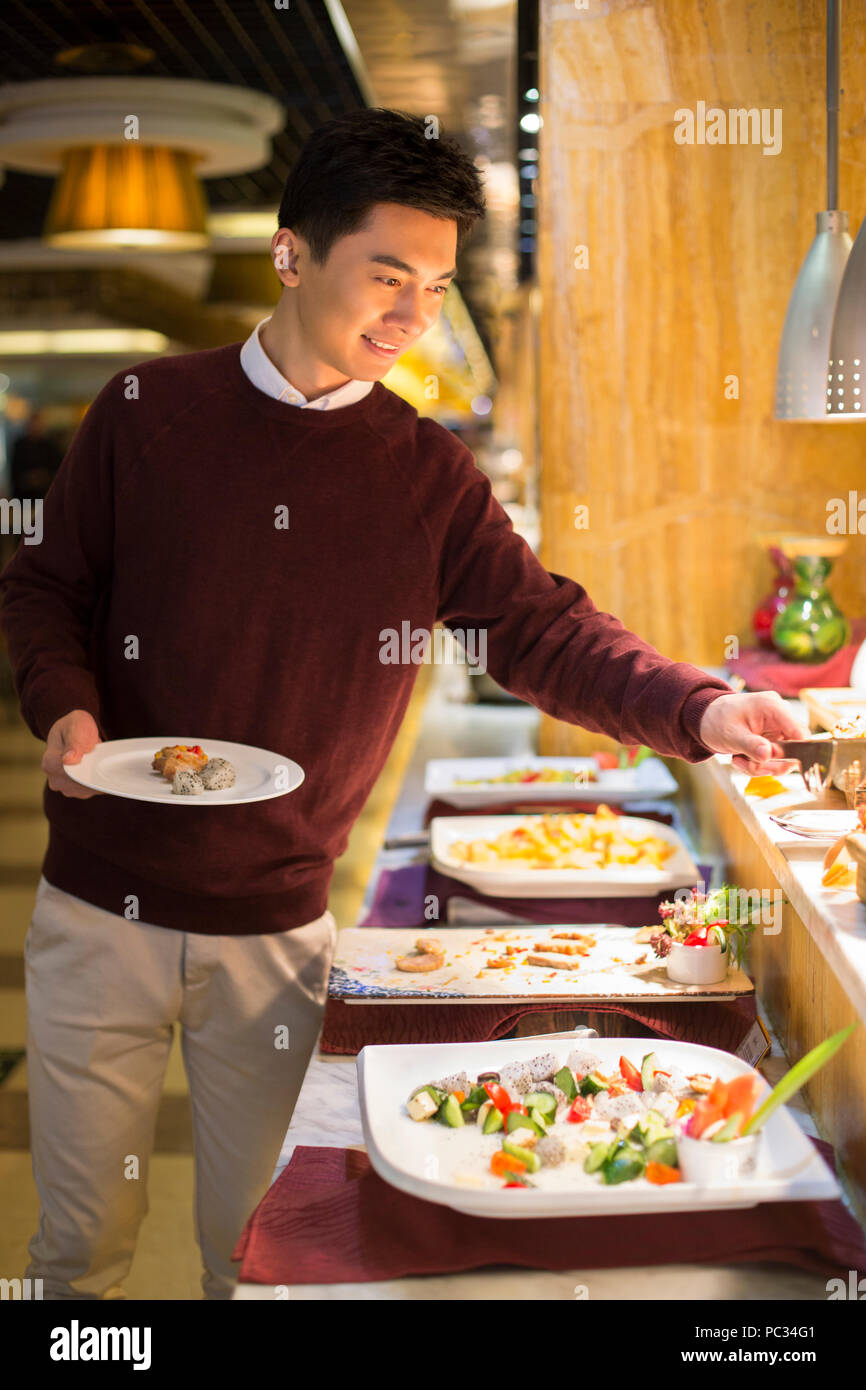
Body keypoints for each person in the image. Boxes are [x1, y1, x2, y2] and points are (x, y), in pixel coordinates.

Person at [0, 107, 808, 1301]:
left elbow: (538, 629)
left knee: (253, 1252)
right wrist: (66, 707)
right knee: (75, 1252)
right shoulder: (144, 413)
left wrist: (697, 708)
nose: (411, 314)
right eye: (387, 275)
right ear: (291, 255)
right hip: (97, 908)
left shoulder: (425, 472)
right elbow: (46, 587)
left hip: (276, 924)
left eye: (432, 286)